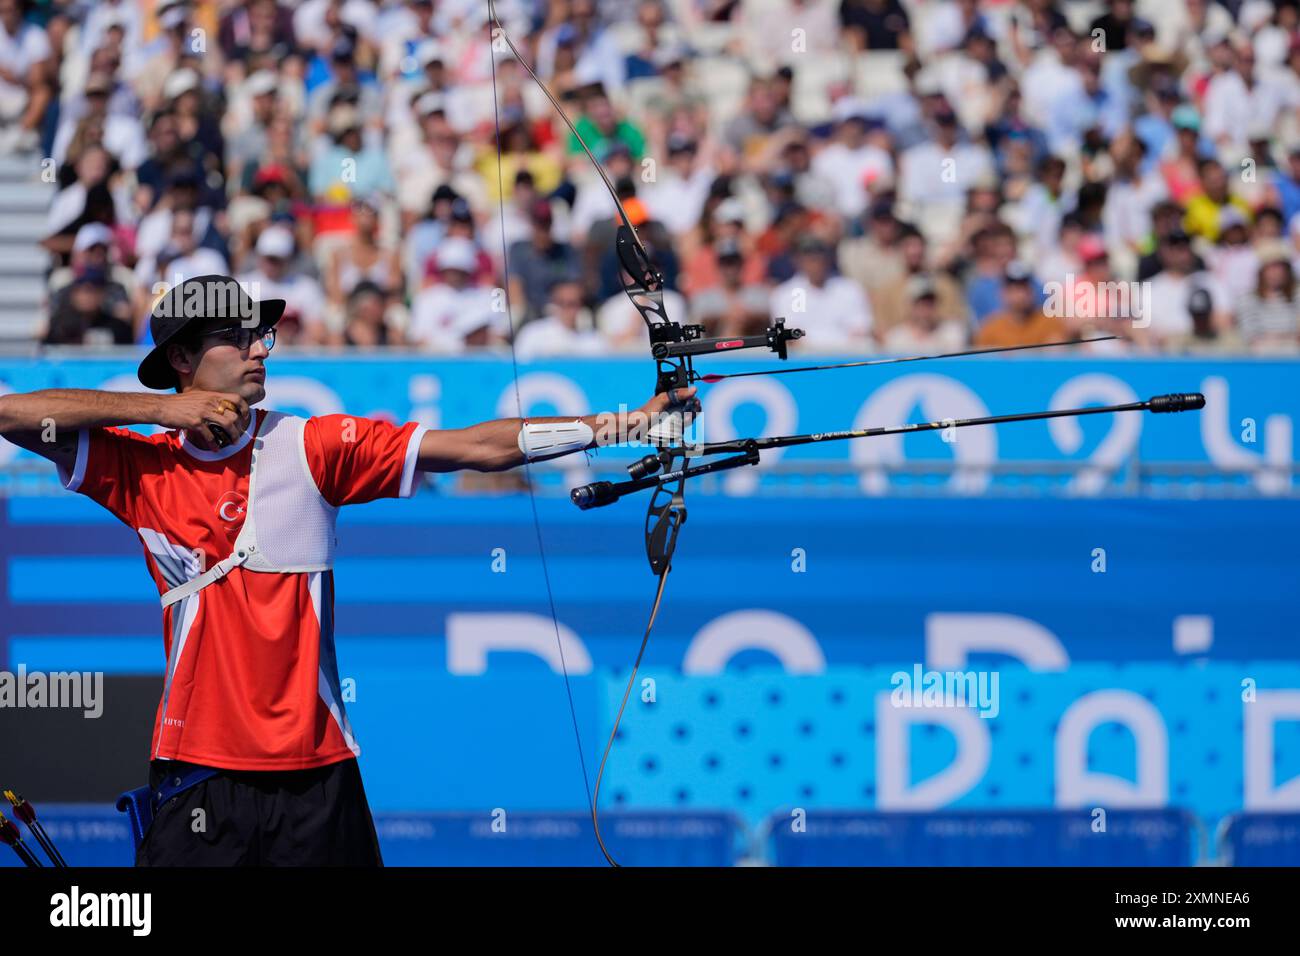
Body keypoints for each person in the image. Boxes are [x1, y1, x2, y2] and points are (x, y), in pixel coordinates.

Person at [0, 274, 699, 866]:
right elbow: (10, 413)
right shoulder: (143, 465)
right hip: (200, 774)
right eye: (236, 338)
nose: (257, 350)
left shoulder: (314, 444)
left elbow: (477, 448)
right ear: (181, 357)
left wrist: (625, 425)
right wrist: (162, 410)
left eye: (261, 336)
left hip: (319, 777)